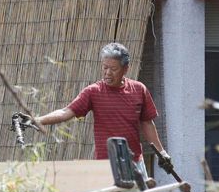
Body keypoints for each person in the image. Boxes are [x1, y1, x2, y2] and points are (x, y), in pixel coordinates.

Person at [16, 42, 173, 175]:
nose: (107, 73)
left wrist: (162, 153)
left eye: (113, 69)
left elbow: (147, 123)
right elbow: (65, 113)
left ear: (125, 69)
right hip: (106, 165)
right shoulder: (93, 92)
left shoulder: (139, 90)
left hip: (135, 162)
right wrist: (35, 120)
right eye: (105, 68)